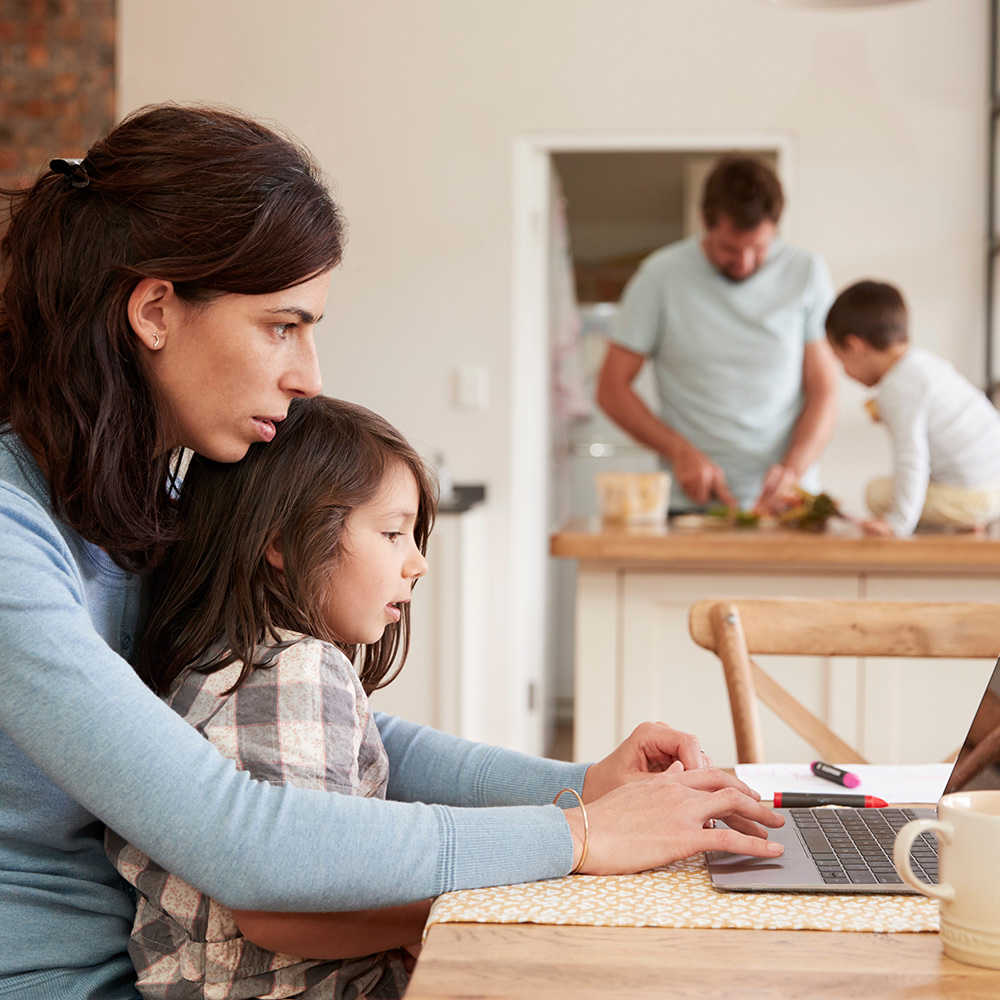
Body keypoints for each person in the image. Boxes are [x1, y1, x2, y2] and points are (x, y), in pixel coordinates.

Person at [0, 103, 783, 1000]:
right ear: (154, 311)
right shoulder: (13, 539)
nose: (310, 375)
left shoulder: (155, 502)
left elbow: (344, 727)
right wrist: (578, 838)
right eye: (282, 325)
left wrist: (584, 786)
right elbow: (243, 837)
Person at [107, 395, 438, 999]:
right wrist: (455, 907)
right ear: (281, 543)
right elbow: (289, 907)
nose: (416, 561)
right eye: (393, 532)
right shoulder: (294, 670)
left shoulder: (218, 659)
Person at [596, 153, 838, 514]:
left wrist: (793, 470)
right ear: (704, 222)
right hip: (690, 503)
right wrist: (678, 451)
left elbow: (824, 389)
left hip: (785, 504)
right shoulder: (659, 277)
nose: (743, 263)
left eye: (758, 248)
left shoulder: (806, 272)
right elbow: (611, 389)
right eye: (729, 248)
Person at [825, 280, 1000, 537]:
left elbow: (911, 458)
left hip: (973, 498)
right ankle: (966, 518)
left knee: (877, 492)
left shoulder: (898, 387)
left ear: (855, 346)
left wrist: (897, 522)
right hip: (993, 486)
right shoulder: (923, 365)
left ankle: (958, 518)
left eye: (841, 360)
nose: (845, 371)